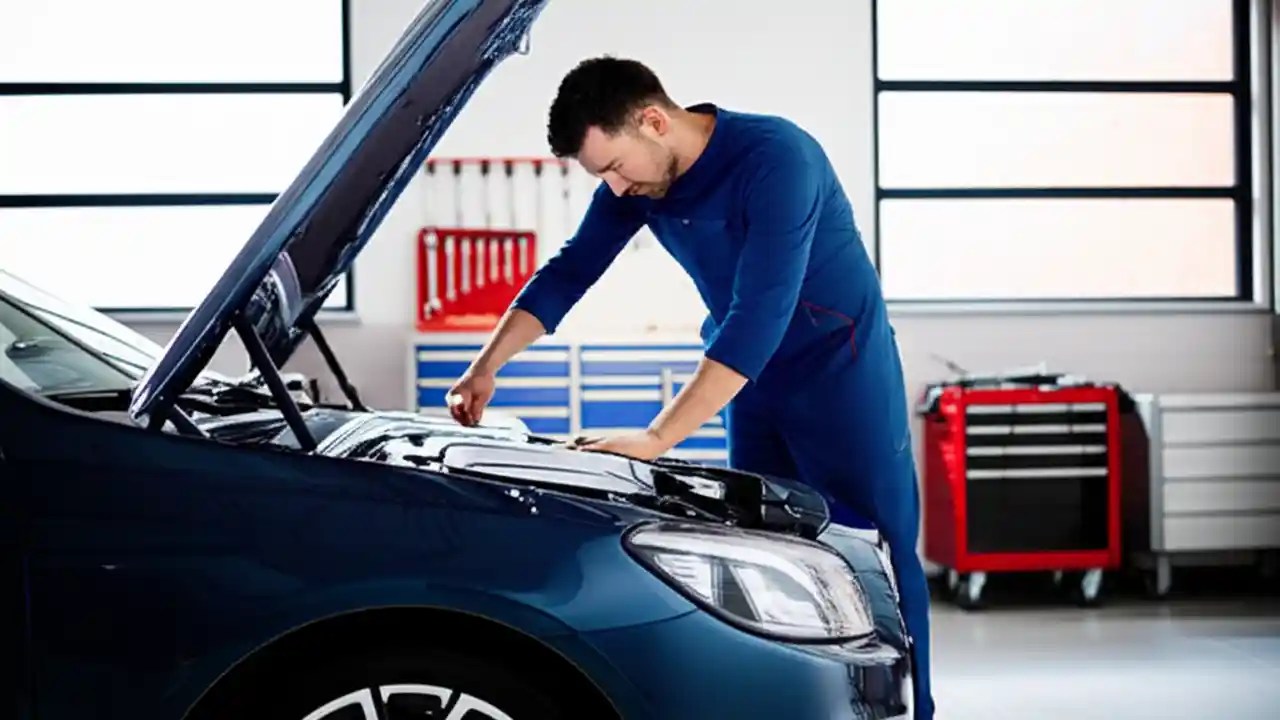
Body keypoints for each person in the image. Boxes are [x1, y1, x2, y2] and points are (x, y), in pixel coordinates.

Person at [445, 56, 935, 718]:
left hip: (839, 370)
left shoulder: (778, 158)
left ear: (653, 121)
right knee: (770, 556)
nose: (613, 189)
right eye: (601, 177)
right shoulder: (643, 185)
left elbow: (760, 311)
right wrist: (487, 364)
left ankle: (917, 708)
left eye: (614, 166)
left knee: (879, 546)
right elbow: (570, 271)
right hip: (751, 385)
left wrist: (656, 436)